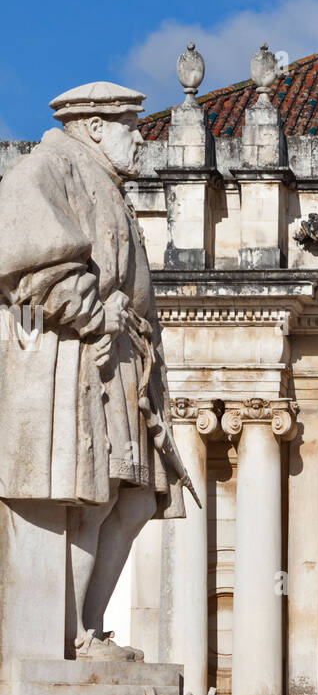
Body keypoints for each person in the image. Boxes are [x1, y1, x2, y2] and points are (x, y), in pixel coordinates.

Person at [0, 81, 194, 658]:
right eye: (130, 127)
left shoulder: (107, 186)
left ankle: (87, 621)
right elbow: (26, 258)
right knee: (97, 494)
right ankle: (75, 636)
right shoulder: (49, 168)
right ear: (93, 127)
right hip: (83, 358)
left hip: (125, 366)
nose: (140, 139)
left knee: (136, 497)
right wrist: (93, 310)